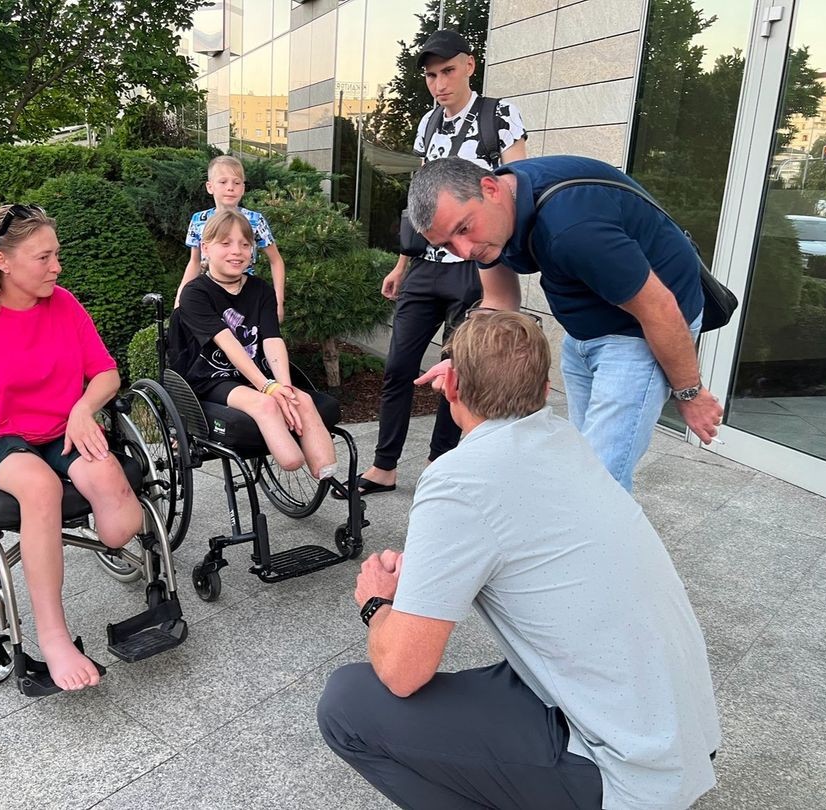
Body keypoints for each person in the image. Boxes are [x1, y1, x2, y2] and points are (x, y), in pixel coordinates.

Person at [317, 312, 721, 810]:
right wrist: (469, 381)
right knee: (506, 670)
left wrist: (377, 604)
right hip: (676, 734)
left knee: (347, 703)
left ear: (452, 384)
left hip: (623, 769)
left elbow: (403, 671)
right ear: (546, 387)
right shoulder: (564, 440)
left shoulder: (458, 481)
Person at [0, 203, 143, 692]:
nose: (56, 267)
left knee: (113, 497)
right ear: (3, 260)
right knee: (41, 488)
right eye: (44, 257)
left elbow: (106, 372)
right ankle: (54, 635)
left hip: (60, 428)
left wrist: (84, 409)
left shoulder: (64, 304)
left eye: (56, 255)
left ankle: (71, 547)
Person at [407, 154, 725, 491]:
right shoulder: (495, 212)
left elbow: (660, 309)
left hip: (643, 329)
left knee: (600, 481)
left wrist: (691, 393)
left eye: (464, 229)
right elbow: (499, 301)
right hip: (586, 329)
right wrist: (461, 361)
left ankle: (603, 539)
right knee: (583, 459)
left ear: (490, 188)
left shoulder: (571, 227)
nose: (464, 250)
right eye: (446, 245)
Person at [355, 28, 527, 497]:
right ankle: (384, 466)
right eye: (431, 75)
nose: (439, 83)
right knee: (398, 367)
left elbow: (516, 189)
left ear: (470, 65)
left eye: (447, 71)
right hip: (427, 266)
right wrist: (401, 264)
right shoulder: (427, 126)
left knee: (457, 371)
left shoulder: (500, 117)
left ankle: (440, 464)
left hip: (476, 267)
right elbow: (421, 207)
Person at [173, 209, 337, 479]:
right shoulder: (195, 293)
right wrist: (267, 388)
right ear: (205, 248)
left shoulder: (261, 290)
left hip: (256, 372)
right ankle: (291, 456)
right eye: (225, 243)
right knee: (266, 405)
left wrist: (283, 386)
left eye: (245, 244)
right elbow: (228, 344)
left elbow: (272, 339)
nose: (236, 251)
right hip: (211, 376)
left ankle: (326, 472)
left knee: (301, 399)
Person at [175, 154, 287, 322]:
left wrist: (278, 302)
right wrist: (180, 299)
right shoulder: (199, 220)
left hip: (245, 295)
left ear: (243, 188)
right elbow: (195, 262)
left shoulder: (255, 220)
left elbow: (276, 260)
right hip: (209, 294)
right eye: (223, 182)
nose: (230, 187)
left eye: (236, 182)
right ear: (210, 186)